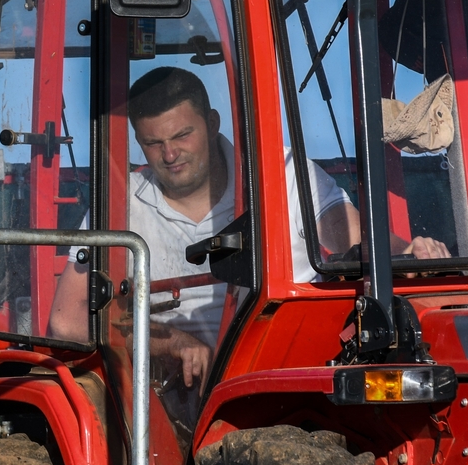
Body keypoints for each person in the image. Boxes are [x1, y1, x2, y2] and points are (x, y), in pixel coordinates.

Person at [47, 67, 447, 414]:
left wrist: (411, 253)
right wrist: (170, 344)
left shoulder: (283, 172)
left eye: (183, 135)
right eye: (153, 143)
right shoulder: (119, 207)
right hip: (174, 396)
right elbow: (66, 320)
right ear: (138, 142)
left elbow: (356, 237)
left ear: (213, 122)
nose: (170, 154)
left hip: (290, 368)